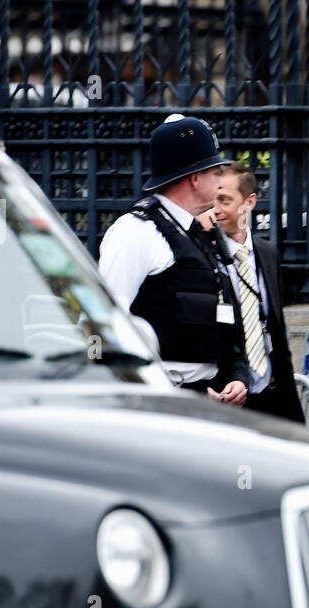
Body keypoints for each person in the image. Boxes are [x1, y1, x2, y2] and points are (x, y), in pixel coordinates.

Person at [98, 114, 250, 405]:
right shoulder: (136, 232)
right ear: (195, 178)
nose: (220, 181)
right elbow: (104, 327)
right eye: (214, 171)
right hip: (159, 404)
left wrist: (237, 378)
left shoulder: (198, 233)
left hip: (207, 400)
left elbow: (226, 320)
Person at [211, 162, 306, 422]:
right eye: (212, 200)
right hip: (228, 396)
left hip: (272, 391)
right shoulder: (205, 256)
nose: (215, 209)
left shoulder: (267, 253)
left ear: (249, 202)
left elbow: (275, 328)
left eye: (224, 200)